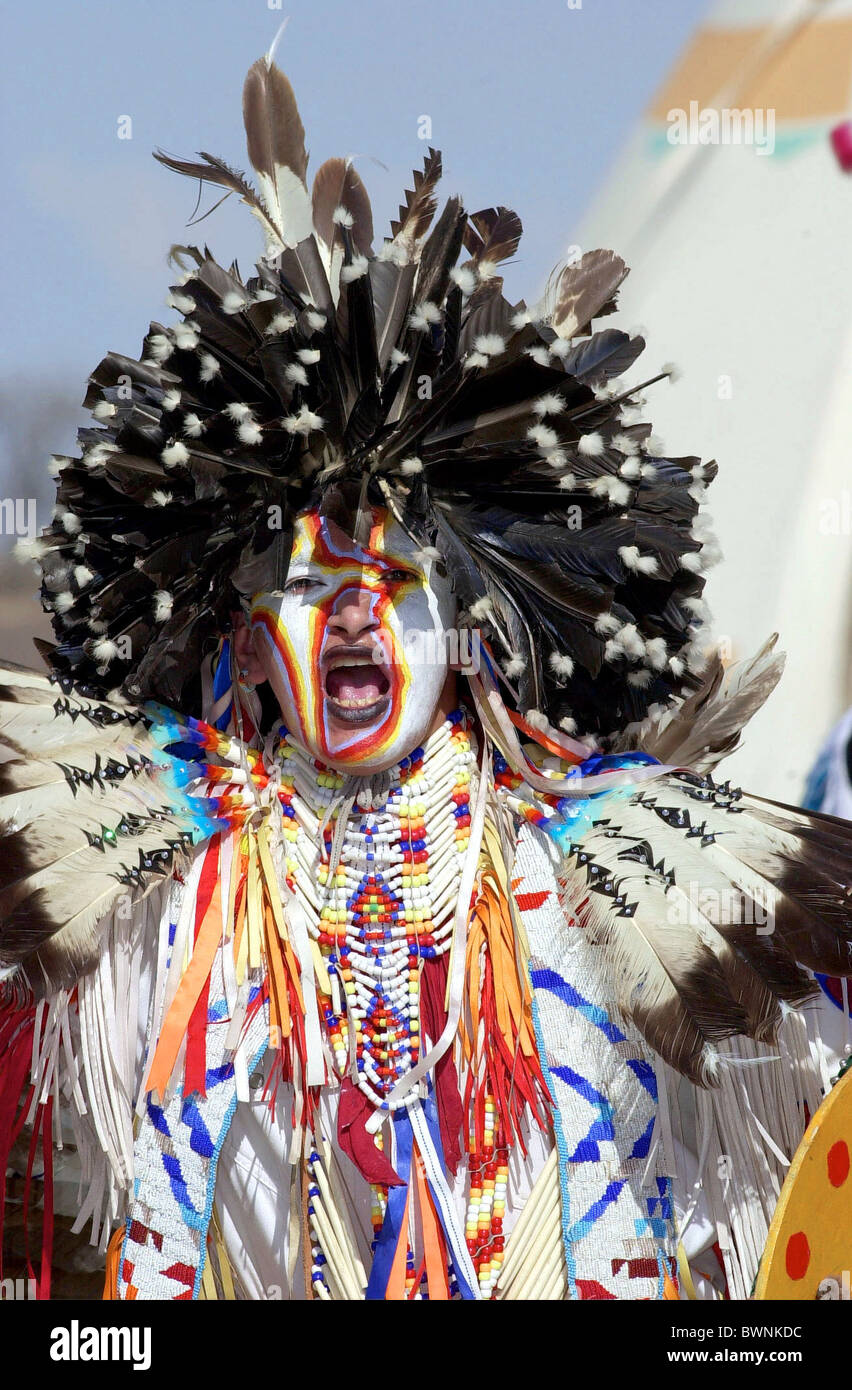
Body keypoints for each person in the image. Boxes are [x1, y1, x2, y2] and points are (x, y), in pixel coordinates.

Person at [2, 40, 851, 1302]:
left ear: (476, 641)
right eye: (307, 587)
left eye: (398, 585)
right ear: (249, 643)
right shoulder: (169, 898)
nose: (351, 615)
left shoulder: (589, 884)